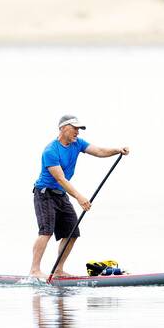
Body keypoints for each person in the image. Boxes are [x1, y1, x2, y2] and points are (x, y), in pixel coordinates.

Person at [30, 114, 130, 279]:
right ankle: (34, 270)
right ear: (63, 128)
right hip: (44, 193)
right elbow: (60, 179)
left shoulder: (78, 144)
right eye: (75, 128)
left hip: (61, 194)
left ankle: (58, 270)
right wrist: (79, 197)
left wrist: (116, 150)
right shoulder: (51, 151)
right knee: (46, 232)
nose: (78, 132)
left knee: (72, 232)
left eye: (79, 129)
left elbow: (98, 151)